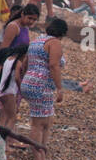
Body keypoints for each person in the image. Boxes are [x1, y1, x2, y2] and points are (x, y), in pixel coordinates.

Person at [18, 17, 67, 152]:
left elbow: (25, 63)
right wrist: (60, 88)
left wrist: (25, 79)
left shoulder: (37, 40)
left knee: (47, 119)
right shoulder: (54, 42)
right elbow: (53, 65)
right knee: (39, 124)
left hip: (29, 82)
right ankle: (38, 154)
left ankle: (40, 149)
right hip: (42, 85)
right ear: (62, 32)